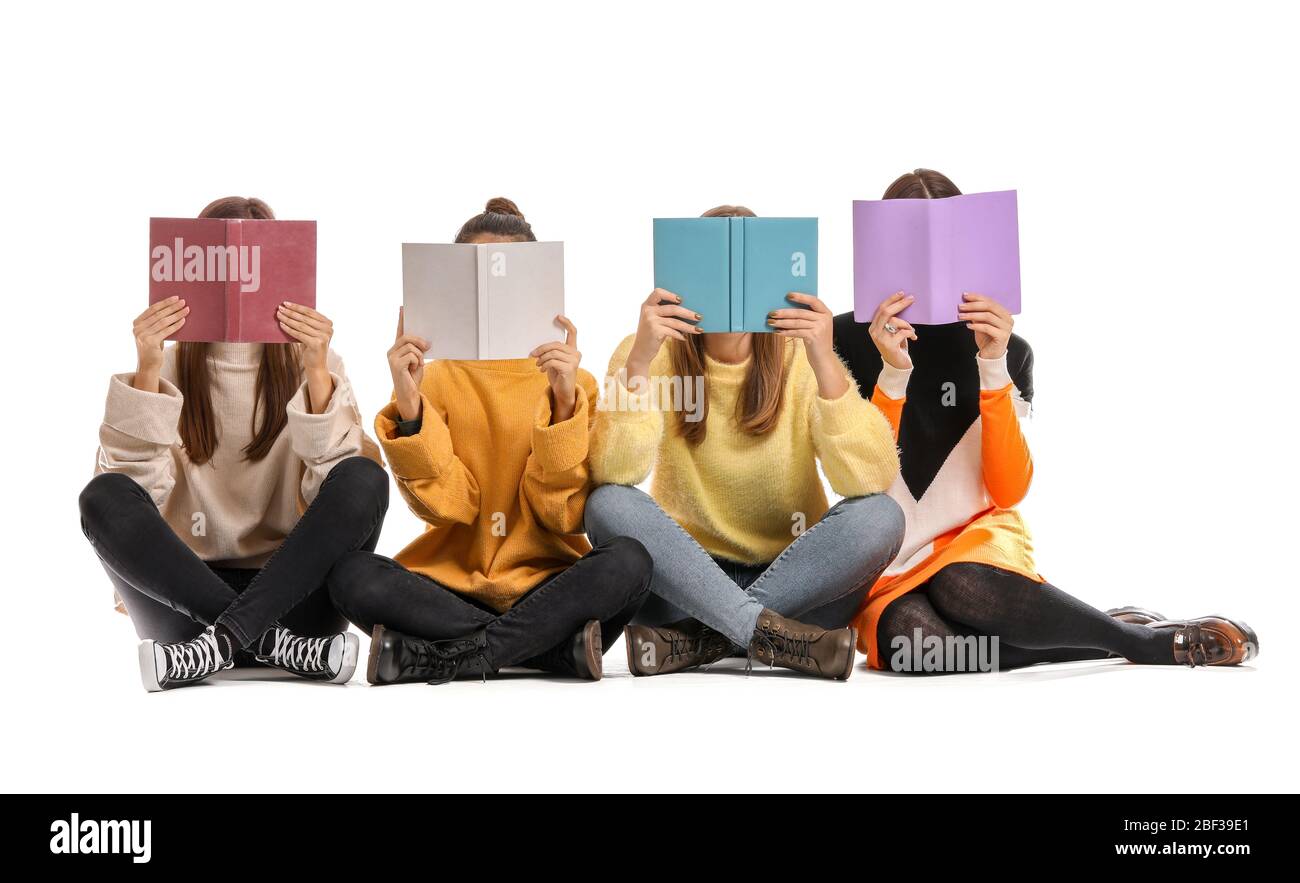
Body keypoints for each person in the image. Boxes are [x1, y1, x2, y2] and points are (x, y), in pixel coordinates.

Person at [833, 168, 1258, 672]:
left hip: (977, 541)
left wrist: (992, 367)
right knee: (912, 644)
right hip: (886, 558)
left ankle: (1145, 644)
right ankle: (1106, 631)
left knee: (960, 585)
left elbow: (1008, 489)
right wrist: (893, 373)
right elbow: (867, 479)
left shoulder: (1009, 349)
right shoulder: (844, 340)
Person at [328, 198, 652, 685]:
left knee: (631, 560)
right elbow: (447, 508)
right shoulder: (433, 380)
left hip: (549, 588)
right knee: (351, 574)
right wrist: (409, 403)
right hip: (449, 589)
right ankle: (550, 654)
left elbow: (560, 515)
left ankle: (451, 656)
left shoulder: (574, 380)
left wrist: (563, 405)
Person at [79, 196, 389, 692]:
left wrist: (315, 369)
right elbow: (132, 497)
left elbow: (335, 495)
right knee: (101, 495)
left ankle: (225, 645)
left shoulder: (315, 370)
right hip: (185, 604)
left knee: (365, 476)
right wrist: (149, 368)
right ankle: (267, 647)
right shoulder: (168, 368)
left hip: (292, 597)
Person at [585, 205, 905, 680]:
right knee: (605, 503)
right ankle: (762, 635)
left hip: (799, 584)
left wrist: (823, 360)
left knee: (883, 515)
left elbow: (870, 478)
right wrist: (638, 363)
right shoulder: (649, 351)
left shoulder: (800, 354)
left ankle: (706, 641)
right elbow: (615, 472)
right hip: (684, 589)